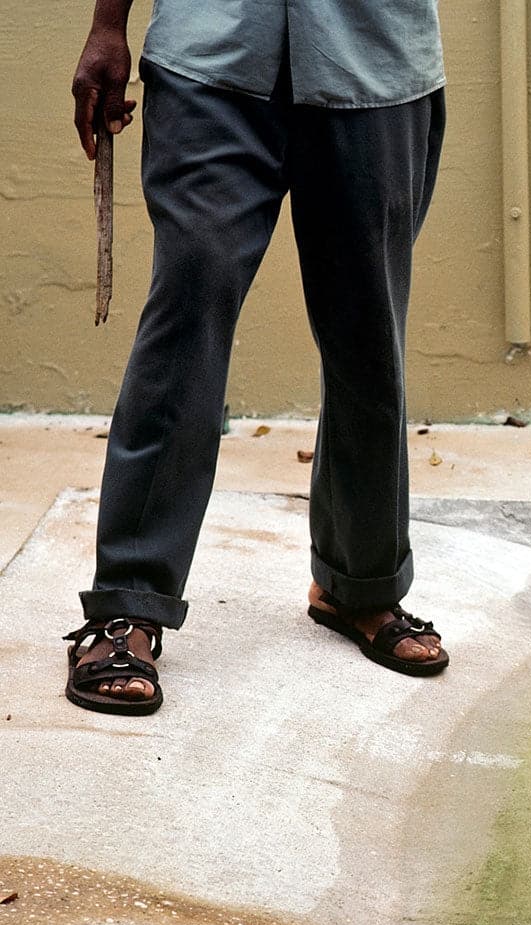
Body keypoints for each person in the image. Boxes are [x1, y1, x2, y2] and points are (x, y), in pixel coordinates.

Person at [64, 0, 451, 715]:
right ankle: (129, 603)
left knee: (368, 333)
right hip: (211, 60)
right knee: (188, 311)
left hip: (375, 60)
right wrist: (107, 24)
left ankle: (358, 586)